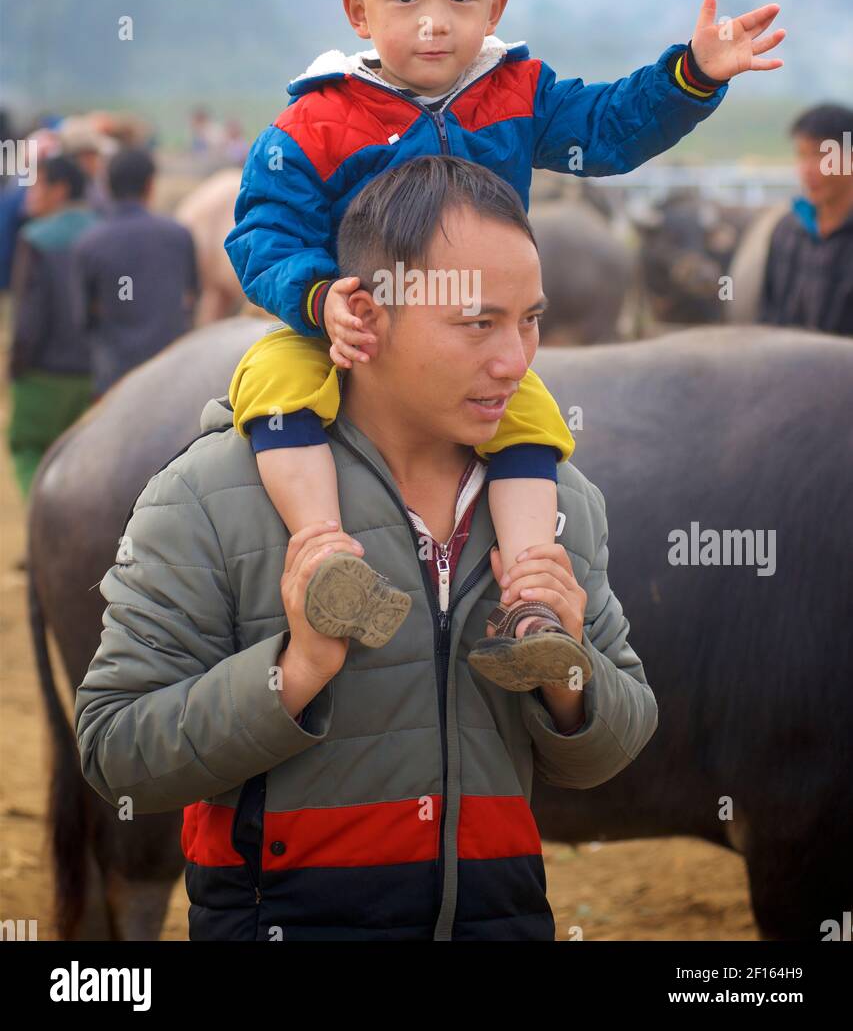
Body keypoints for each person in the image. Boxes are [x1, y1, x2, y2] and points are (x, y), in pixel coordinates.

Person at [223, 0, 785, 690]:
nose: (432, 21)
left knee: (528, 417)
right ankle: (323, 557)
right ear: (358, 11)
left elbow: (607, 129)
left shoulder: (517, 93)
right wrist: (318, 297)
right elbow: (261, 230)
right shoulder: (315, 119)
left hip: (475, 328)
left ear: (495, 6)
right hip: (354, 334)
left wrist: (690, 77)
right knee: (270, 380)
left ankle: (531, 600)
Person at [75, 156, 659, 941]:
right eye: (478, 323)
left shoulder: (557, 504)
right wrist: (297, 671)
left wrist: (569, 684)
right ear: (365, 319)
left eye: (529, 320)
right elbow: (115, 753)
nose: (516, 361)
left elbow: (610, 751)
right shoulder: (210, 498)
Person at [69, 147, 200, 396]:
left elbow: (83, 319)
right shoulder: (178, 236)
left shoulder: (89, 244)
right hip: (171, 376)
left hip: (114, 380)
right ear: (151, 185)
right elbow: (192, 299)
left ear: (106, 186)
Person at [7, 154, 98, 496]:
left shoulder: (34, 238)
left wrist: (17, 366)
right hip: (94, 376)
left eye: (37, 186)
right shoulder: (102, 228)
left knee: (27, 448)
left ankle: (39, 532)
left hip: (43, 374)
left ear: (60, 190)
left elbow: (29, 318)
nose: (30, 196)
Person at [757, 102, 853, 336]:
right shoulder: (787, 230)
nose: (807, 169)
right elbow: (767, 316)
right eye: (802, 155)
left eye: (821, 155)